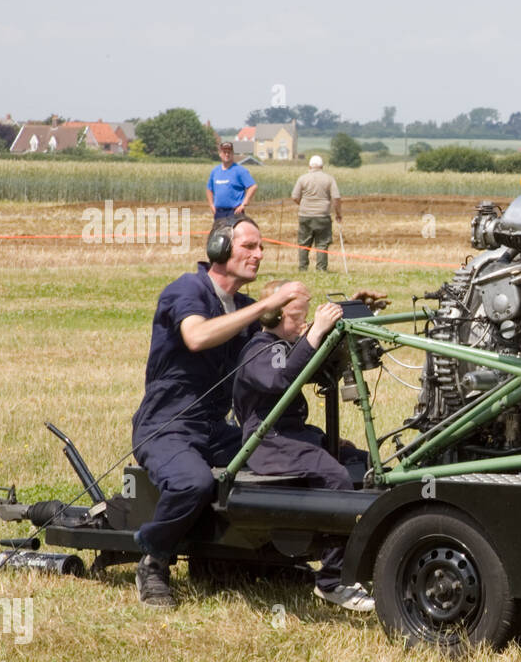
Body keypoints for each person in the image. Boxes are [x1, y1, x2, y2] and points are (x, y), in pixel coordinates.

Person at [131, 217, 309, 607]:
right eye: (249, 246)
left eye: (262, 247)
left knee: (288, 459)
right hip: (166, 426)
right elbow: (196, 336)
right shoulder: (187, 289)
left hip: (216, 428)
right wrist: (266, 304)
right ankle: (153, 559)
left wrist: (340, 318)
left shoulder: (244, 308)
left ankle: (256, 555)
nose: (258, 254)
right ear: (220, 249)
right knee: (193, 482)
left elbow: (289, 339)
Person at [232, 283, 374, 612]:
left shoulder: (286, 343)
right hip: (267, 442)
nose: (304, 325)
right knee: (336, 476)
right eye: (298, 319)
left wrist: (353, 310)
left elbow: (315, 359)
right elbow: (279, 378)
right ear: (272, 315)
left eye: (307, 319)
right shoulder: (261, 348)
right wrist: (317, 332)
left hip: (293, 435)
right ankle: (332, 582)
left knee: (363, 464)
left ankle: (362, 560)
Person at [290, 155, 343, 272]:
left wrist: (303, 205)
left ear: (309, 166)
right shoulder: (329, 179)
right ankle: (321, 269)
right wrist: (338, 214)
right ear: (322, 167)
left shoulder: (303, 178)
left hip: (305, 215)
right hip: (323, 215)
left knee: (304, 243)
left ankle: (303, 268)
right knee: (322, 244)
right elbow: (336, 198)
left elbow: (294, 196)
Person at [207, 142, 258, 220]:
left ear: (232, 154)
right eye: (224, 152)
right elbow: (209, 189)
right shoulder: (215, 171)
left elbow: (253, 186)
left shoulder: (240, 171)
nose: (227, 154)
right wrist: (211, 205)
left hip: (235, 212)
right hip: (219, 212)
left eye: (229, 152)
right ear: (220, 154)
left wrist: (244, 204)